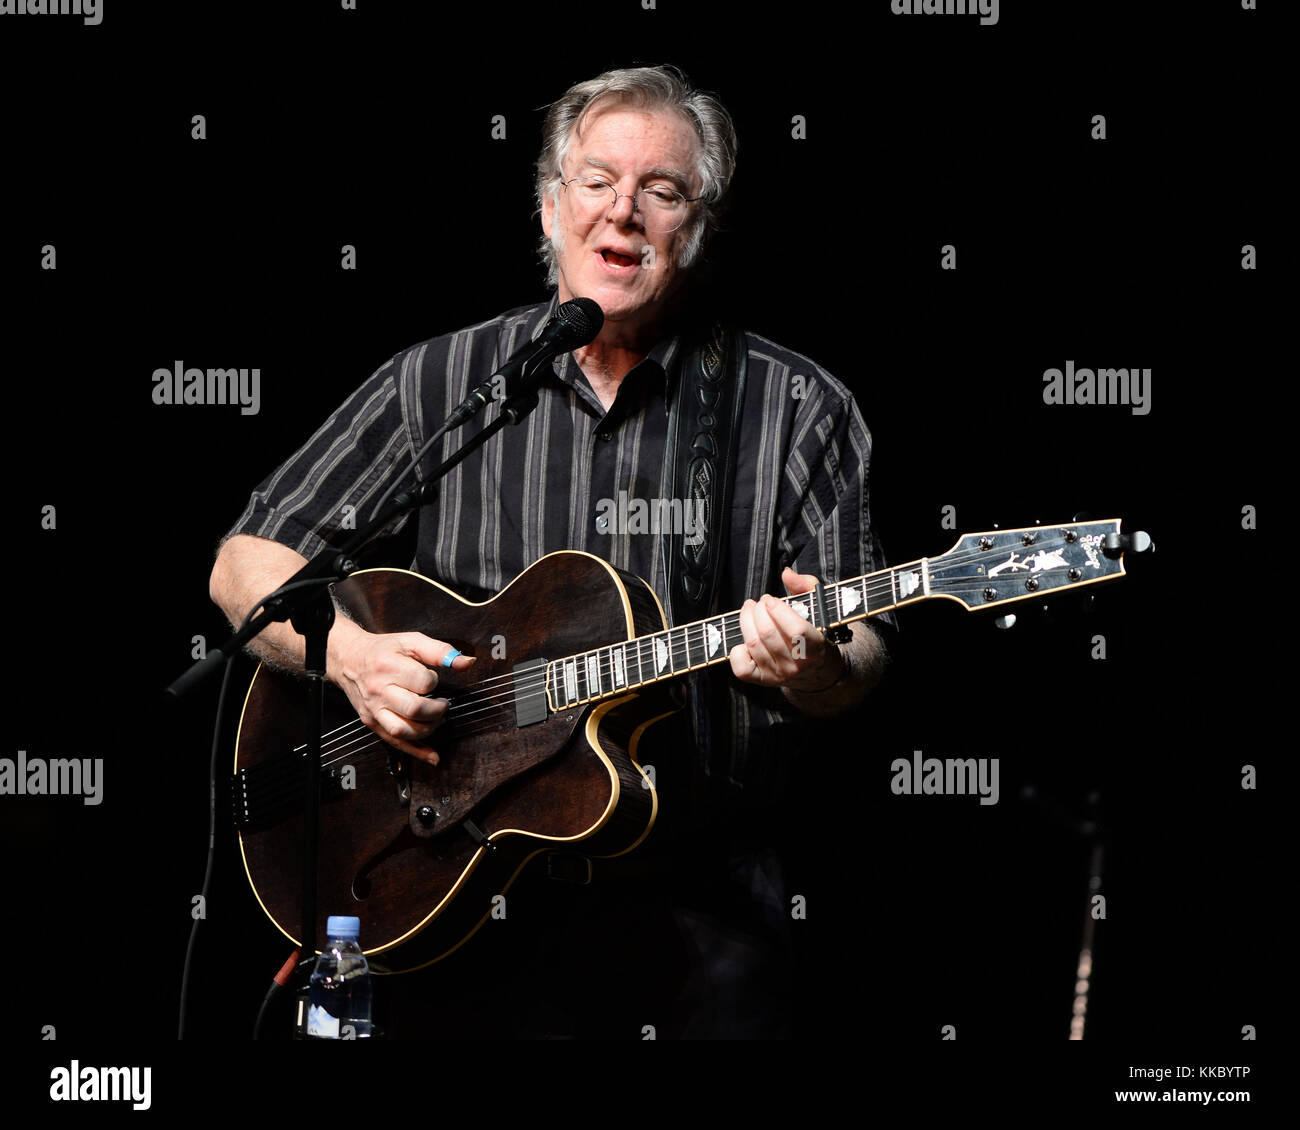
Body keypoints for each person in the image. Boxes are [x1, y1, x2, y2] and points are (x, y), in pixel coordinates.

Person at [210, 65, 892, 1038]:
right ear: (547, 205)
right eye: (595, 180)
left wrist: (816, 662)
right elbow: (245, 561)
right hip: (446, 889)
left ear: (695, 227)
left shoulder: (799, 409)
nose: (622, 212)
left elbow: (862, 646)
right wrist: (356, 662)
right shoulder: (443, 379)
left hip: (704, 920)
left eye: (661, 190)